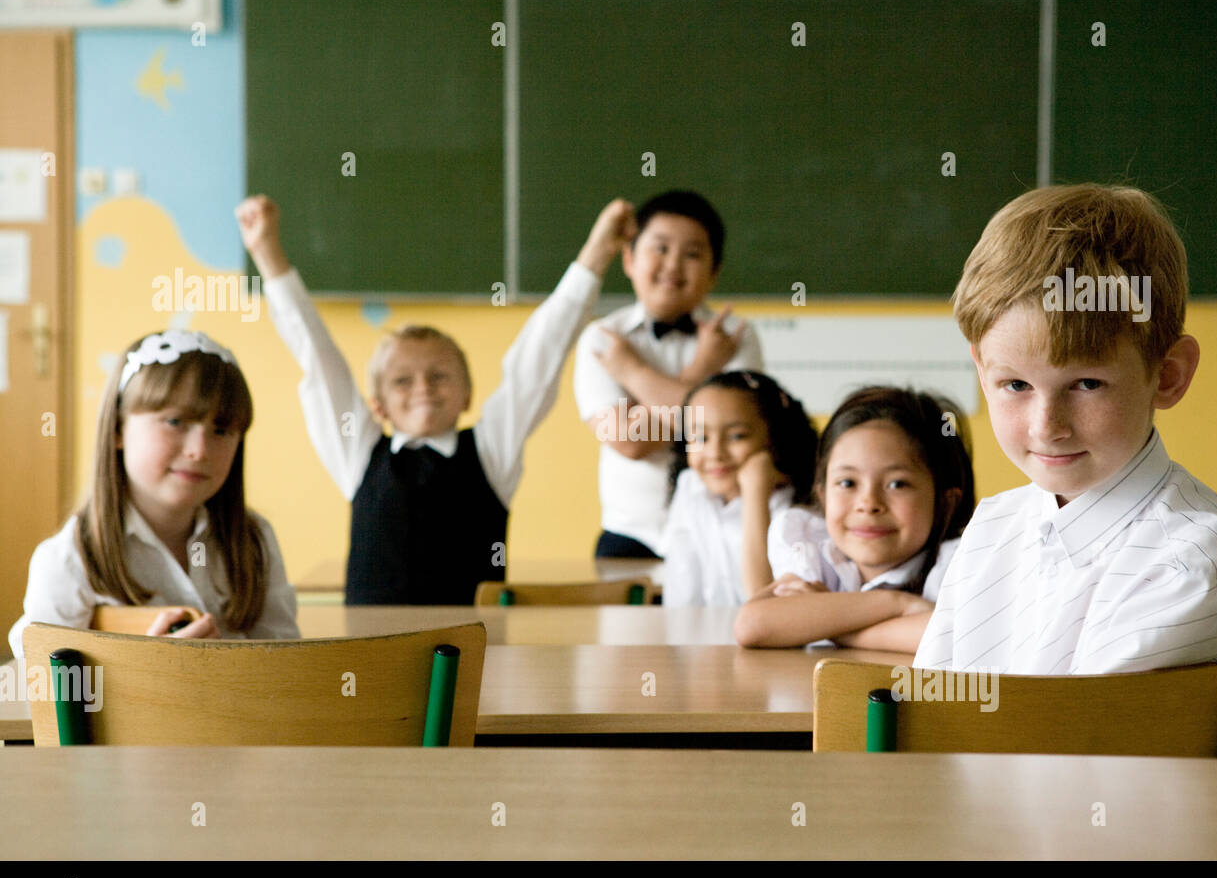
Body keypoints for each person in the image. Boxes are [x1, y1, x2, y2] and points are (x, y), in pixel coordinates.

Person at [914, 183, 1217, 674]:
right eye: (1016, 384)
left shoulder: (1188, 566)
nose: (1048, 426)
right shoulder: (991, 529)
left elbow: (1073, 746)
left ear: (1168, 374)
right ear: (982, 372)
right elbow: (926, 716)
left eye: (1088, 383)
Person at [240, 194, 631, 604]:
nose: (423, 387)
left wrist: (597, 254)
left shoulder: (490, 451)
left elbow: (540, 354)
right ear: (378, 405)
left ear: (467, 395)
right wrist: (268, 253)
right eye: (402, 381)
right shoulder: (358, 453)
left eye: (440, 376)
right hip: (370, 656)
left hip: (475, 653)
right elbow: (317, 355)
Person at [8, 330, 298, 657]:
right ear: (118, 429)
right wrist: (151, 668)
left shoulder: (254, 541)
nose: (199, 450)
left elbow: (285, 662)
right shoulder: (72, 557)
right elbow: (44, 682)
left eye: (221, 430)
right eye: (175, 421)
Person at [573, 190, 764, 559]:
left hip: (721, 532)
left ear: (714, 272)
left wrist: (633, 372)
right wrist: (703, 371)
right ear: (628, 259)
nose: (673, 266)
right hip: (630, 536)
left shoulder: (735, 336)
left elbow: (734, 432)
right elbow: (631, 441)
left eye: (692, 254)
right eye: (659, 248)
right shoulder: (601, 340)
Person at [734, 386, 974, 652]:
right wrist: (897, 604)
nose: (868, 504)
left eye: (897, 484)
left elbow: (954, 640)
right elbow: (752, 625)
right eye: (847, 482)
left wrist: (832, 624)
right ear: (822, 496)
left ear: (945, 503)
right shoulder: (815, 547)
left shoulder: (959, 562)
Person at [661, 371, 817, 606]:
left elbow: (764, 602)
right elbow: (679, 595)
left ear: (775, 438)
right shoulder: (690, 488)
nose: (715, 453)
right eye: (700, 437)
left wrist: (756, 494)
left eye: (736, 436)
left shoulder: (799, 511)